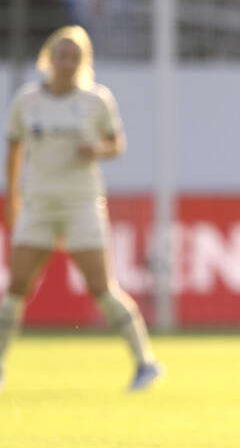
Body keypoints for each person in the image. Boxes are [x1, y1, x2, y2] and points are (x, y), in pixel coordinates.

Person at [0, 25, 162, 393]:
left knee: (100, 286)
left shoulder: (96, 100)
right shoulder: (27, 100)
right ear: (48, 57)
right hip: (39, 201)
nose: (66, 62)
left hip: (81, 202)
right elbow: (13, 150)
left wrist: (98, 150)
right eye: (61, 54)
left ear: (83, 61)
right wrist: (12, 199)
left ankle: (145, 363)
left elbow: (116, 142)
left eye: (74, 56)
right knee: (16, 287)